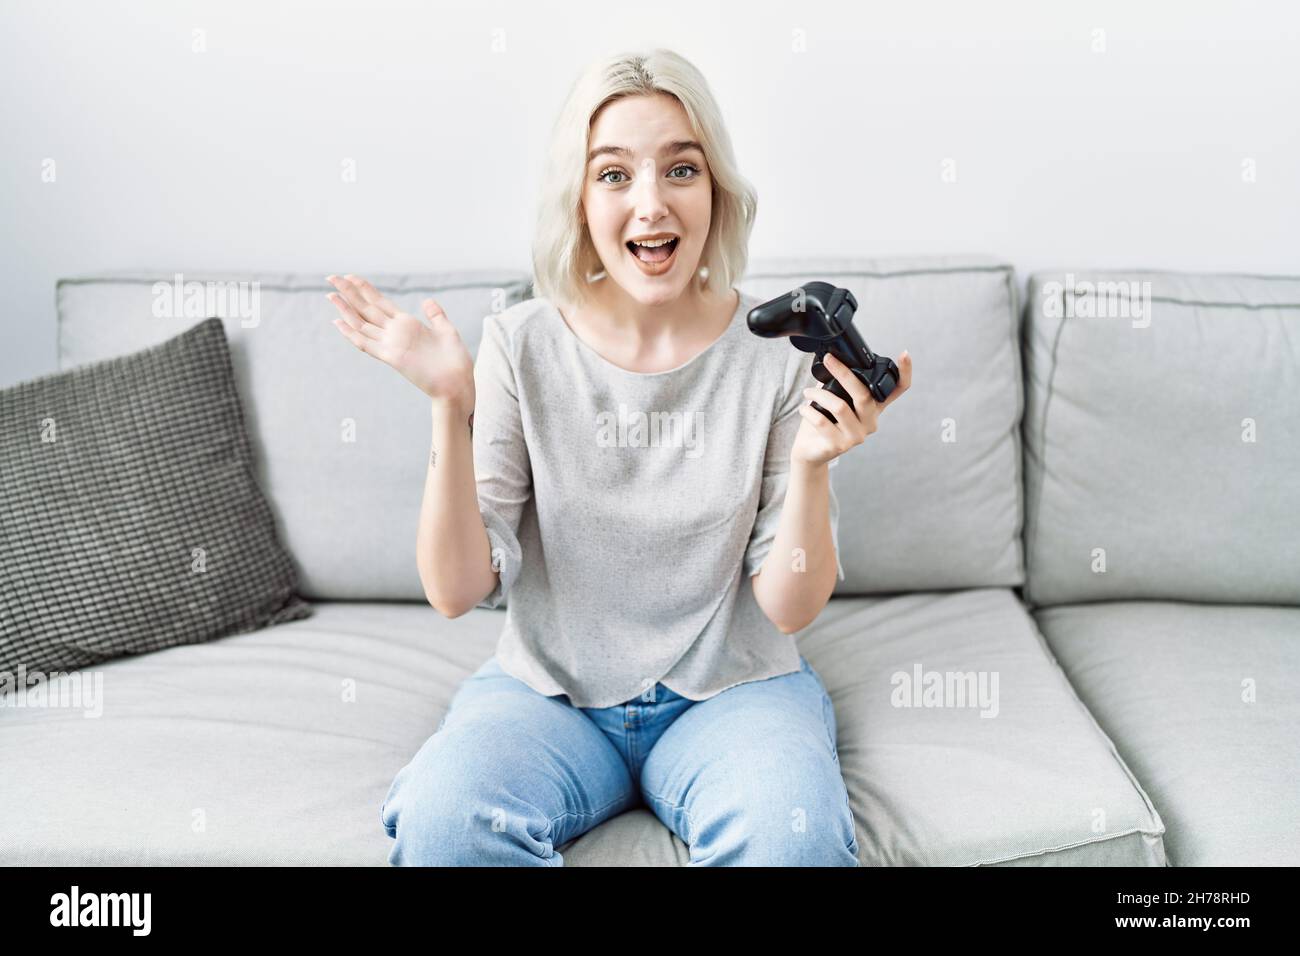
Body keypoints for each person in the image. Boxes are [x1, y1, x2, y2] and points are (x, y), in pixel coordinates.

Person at [326, 47, 912, 866]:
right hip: (547, 698)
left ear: (717, 192)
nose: (650, 205)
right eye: (614, 175)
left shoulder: (775, 355)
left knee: (795, 842)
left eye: (681, 169)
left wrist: (814, 465)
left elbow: (786, 608)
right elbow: (457, 591)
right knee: (444, 823)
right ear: (579, 199)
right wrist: (448, 406)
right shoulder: (518, 344)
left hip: (734, 694)